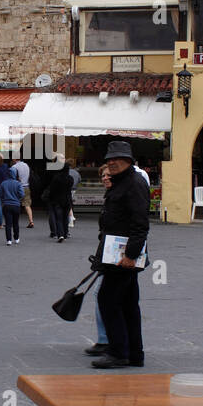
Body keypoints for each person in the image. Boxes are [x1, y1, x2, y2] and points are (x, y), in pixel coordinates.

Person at [90, 140, 149, 369]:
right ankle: (134, 354)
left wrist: (131, 255)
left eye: (117, 158)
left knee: (108, 299)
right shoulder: (121, 182)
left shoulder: (133, 183)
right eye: (109, 159)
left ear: (128, 161)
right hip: (114, 253)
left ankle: (118, 352)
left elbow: (140, 222)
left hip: (123, 256)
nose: (111, 162)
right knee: (128, 304)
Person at [85, 164, 113, 357]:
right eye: (102, 175)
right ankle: (107, 339)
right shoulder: (111, 197)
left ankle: (107, 340)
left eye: (108, 175)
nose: (104, 178)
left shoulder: (120, 196)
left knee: (102, 294)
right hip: (109, 253)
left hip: (117, 256)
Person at [44, 161, 74, 241]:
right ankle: (65, 233)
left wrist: (51, 199)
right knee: (65, 217)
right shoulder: (70, 179)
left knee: (59, 218)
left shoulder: (56, 178)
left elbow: (53, 190)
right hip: (67, 200)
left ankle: (60, 235)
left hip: (58, 201)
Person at [0, 172, 25, 244]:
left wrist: (4, 199)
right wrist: (17, 199)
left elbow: (0, 194)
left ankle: (9, 240)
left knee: (8, 223)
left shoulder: (3, 183)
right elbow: (22, 194)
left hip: (6, 205)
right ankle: (16, 238)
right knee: (16, 222)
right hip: (16, 205)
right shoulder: (18, 183)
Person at [11, 154, 34, 228]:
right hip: (26, 186)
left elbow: (12, 178)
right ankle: (31, 221)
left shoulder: (14, 167)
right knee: (27, 205)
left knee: (14, 204)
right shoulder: (26, 165)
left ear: (14, 159)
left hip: (17, 187)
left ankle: (12, 221)